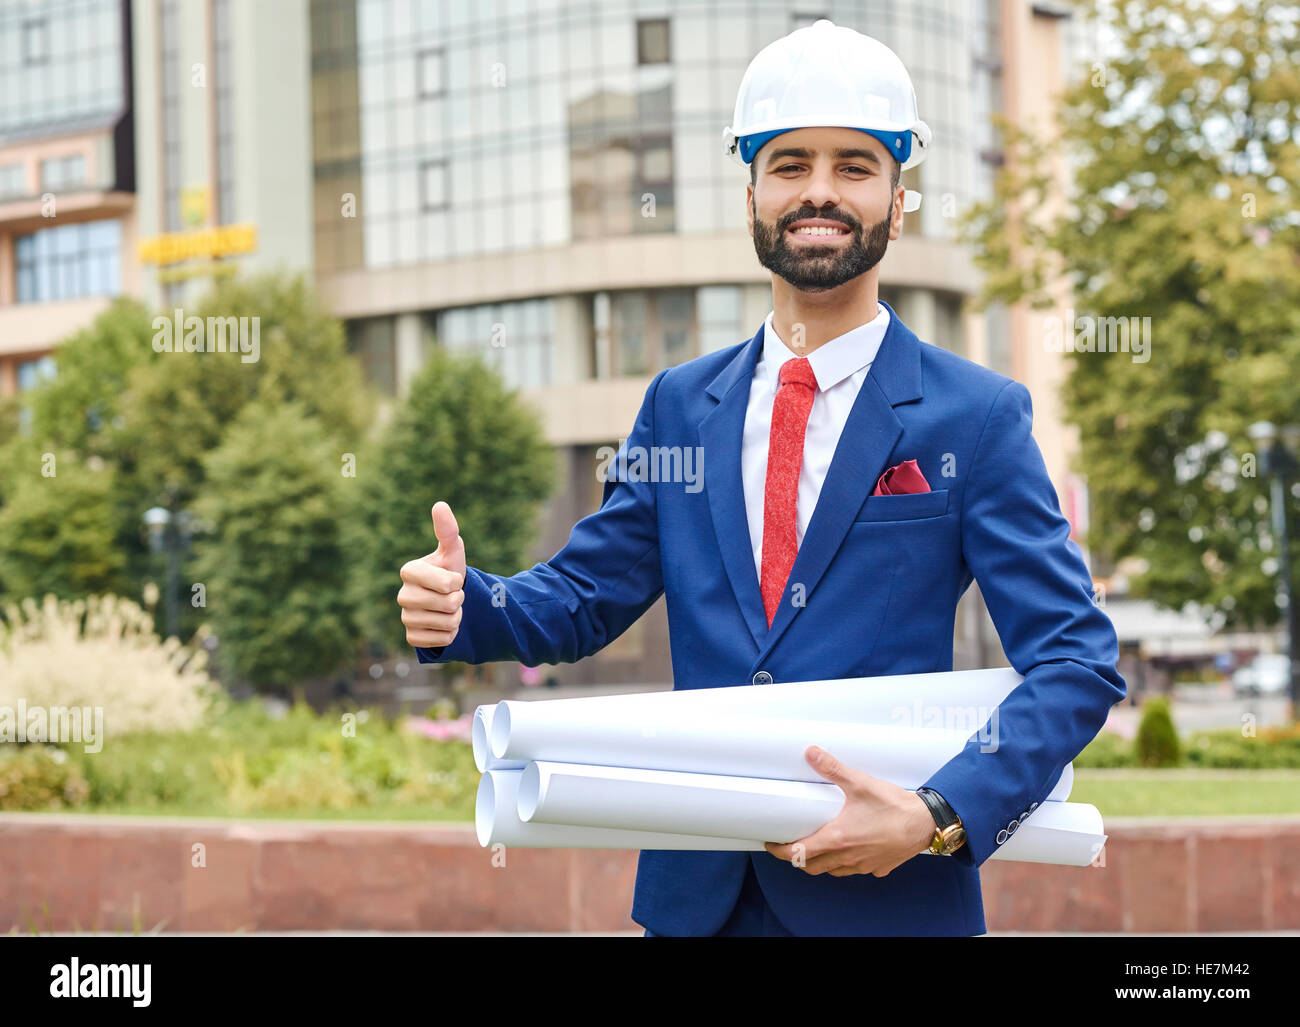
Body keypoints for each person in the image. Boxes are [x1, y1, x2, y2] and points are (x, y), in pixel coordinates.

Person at [397, 20, 1125, 936]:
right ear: (750, 192)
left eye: (855, 166)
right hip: (697, 901)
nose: (818, 190)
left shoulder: (975, 418)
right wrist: (472, 608)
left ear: (899, 202)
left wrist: (936, 814)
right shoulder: (679, 404)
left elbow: (1075, 661)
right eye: (789, 164)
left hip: (888, 906)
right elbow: (586, 595)